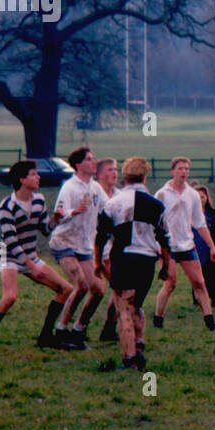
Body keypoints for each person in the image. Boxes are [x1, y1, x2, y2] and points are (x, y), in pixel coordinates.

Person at [0, 160, 74, 350]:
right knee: (10, 297)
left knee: (65, 289)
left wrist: (55, 220)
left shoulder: (39, 200)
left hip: (31, 256)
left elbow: (45, 230)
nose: (38, 177)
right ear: (22, 179)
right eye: (33, 174)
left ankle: (45, 337)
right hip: (9, 256)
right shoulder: (6, 205)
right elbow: (11, 241)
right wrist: (32, 266)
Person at [94, 156, 172, 371]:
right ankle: (139, 347)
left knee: (124, 310)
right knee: (137, 305)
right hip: (147, 261)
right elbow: (165, 239)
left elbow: (101, 237)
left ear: (124, 178)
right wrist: (166, 266)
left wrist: (97, 262)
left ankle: (130, 360)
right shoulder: (157, 205)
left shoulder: (113, 204)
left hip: (124, 259)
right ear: (144, 177)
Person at [48, 146, 108, 349]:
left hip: (84, 246)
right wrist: (74, 212)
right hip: (63, 242)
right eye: (89, 159)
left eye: (93, 158)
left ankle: (79, 330)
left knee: (98, 289)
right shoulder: (69, 187)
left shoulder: (96, 188)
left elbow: (109, 209)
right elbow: (59, 216)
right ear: (78, 165)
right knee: (81, 285)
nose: (94, 162)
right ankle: (60, 331)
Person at [153, 157, 215, 331]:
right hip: (168, 247)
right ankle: (158, 319)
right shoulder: (162, 194)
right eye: (180, 169)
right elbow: (154, 223)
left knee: (199, 283)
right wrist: (158, 247)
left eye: (186, 169)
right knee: (170, 283)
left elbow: (200, 223)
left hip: (187, 245)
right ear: (173, 171)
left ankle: (209, 321)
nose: (184, 172)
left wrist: (212, 247)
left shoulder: (192, 195)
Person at [93, 158, 122, 343]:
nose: (114, 173)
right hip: (95, 247)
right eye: (110, 170)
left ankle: (109, 328)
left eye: (116, 169)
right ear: (100, 174)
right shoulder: (93, 193)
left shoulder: (120, 195)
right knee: (119, 288)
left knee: (119, 289)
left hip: (115, 248)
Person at [194, 185, 215, 310]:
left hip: (210, 249)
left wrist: (213, 243)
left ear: (207, 198)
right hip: (195, 248)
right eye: (197, 197)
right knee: (196, 276)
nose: (200, 199)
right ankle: (197, 300)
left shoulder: (213, 214)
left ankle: (214, 300)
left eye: (202, 197)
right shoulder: (189, 214)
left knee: (212, 275)